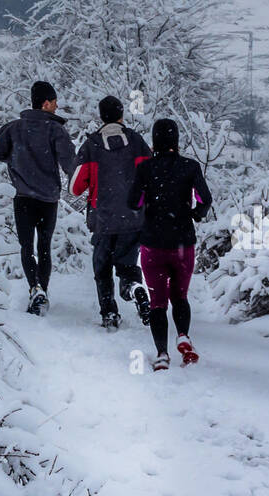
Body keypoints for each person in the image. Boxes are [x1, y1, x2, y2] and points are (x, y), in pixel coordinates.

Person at [127, 118, 213, 371]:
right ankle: (184, 336)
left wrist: (148, 204)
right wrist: (194, 214)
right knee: (180, 296)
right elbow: (204, 199)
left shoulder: (145, 169)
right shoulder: (190, 167)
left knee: (157, 302)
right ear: (176, 140)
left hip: (153, 243)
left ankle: (162, 354)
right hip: (182, 243)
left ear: (154, 141)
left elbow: (133, 202)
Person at [0, 81, 76, 315]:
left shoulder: (12, 128)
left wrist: (17, 160)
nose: (57, 108)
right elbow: (71, 165)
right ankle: (43, 293)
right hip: (48, 198)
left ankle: (34, 289)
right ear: (45, 103)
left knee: (26, 246)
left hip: (23, 197)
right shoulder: (56, 130)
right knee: (44, 246)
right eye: (55, 103)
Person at [71, 95, 153, 330]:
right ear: (121, 116)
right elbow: (151, 175)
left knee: (102, 268)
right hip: (134, 218)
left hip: (103, 219)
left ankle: (109, 314)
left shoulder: (92, 145)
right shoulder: (137, 142)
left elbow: (74, 187)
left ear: (101, 116)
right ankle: (135, 288)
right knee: (127, 265)